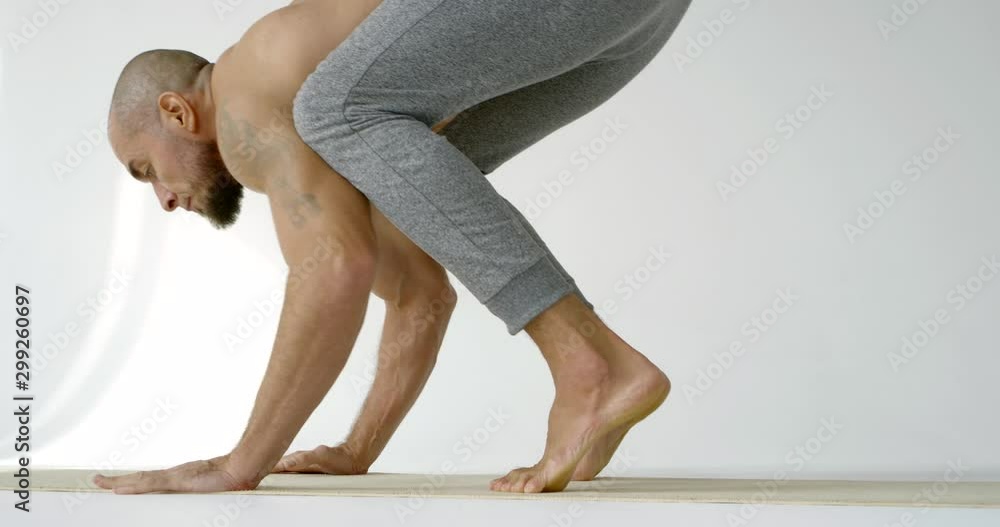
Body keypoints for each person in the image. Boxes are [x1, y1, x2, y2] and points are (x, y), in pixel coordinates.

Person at [94, 0, 691, 495]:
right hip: (632, 19)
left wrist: (239, 464)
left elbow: (332, 268)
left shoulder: (243, 101)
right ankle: (596, 369)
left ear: (176, 112)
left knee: (337, 109)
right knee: (403, 181)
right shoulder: (303, 106)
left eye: (145, 170)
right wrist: (358, 449)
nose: (164, 199)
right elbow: (420, 296)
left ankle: (593, 365)